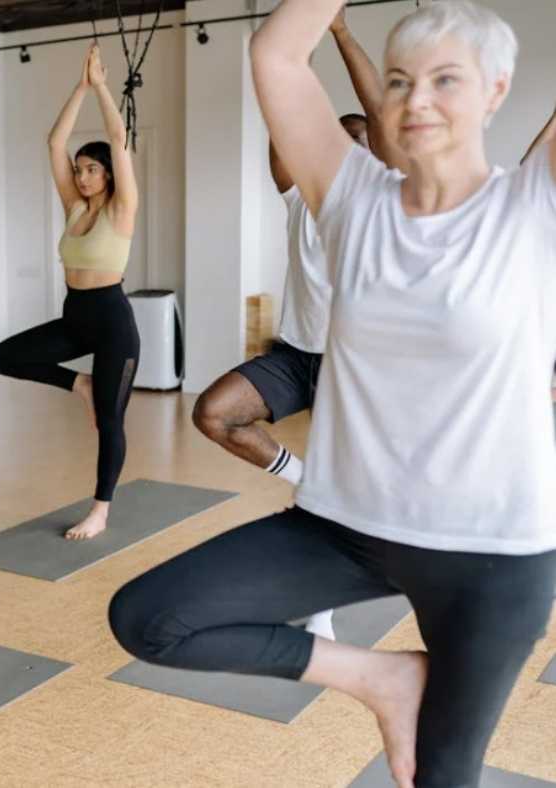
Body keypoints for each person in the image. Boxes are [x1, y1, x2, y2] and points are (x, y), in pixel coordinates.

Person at [109, 3, 556, 786]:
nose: (416, 100)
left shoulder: (532, 203)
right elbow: (277, 55)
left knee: (441, 778)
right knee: (149, 619)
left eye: (446, 80)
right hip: (346, 529)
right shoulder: (352, 197)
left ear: (496, 91)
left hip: (490, 554)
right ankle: (382, 679)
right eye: (399, 80)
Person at [191, 10, 395, 642]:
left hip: (355, 366)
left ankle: (324, 611)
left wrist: (340, 33)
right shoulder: (299, 198)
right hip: (297, 355)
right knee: (214, 413)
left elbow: (381, 114)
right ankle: (305, 481)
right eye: (336, 139)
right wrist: (295, 54)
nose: (343, 149)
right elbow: (284, 116)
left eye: (357, 141)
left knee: (343, 502)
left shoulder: (385, 202)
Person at [0, 43, 140, 541]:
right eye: (79, 170)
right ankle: (80, 385)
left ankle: (100, 510)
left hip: (113, 322)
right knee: (4, 357)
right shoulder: (75, 208)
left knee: (110, 421)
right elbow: (55, 143)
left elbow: (118, 137)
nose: (81, 176)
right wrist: (79, 86)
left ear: (109, 173)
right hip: (76, 317)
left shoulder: (122, 209)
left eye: (91, 169)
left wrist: (101, 88)